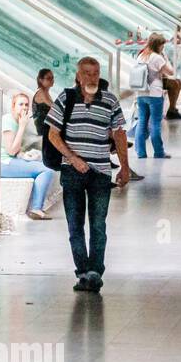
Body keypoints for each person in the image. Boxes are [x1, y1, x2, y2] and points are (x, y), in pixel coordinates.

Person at [48, 57, 131, 293]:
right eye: (86, 73)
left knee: (98, 225)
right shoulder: (66, 99)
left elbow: (119, 134)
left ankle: (95, 272)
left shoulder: (110, 101)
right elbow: (53, 134)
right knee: (75, 225)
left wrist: (124, 166)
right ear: (78, 76)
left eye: (95, 73)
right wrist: (72, 158)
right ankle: (82, 271)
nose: (91, 78)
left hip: (101, 172)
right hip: (72, 171)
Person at [0, 91, 54, 220]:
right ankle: (36, 208)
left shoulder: (14, 121)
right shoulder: (8, 121)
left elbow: (13, 151)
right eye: (20, 104)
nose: (24, 107)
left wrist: (25, 156)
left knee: (44, 165)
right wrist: (22, 127)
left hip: (4, 162)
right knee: (47, 170)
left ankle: (36, 207)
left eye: (26, 104)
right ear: (13, 107)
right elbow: (11, 151)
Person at [133, 33, 174, 159]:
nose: (163, 48)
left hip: (141, 93)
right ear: (158, 45)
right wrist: (165, 57)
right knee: (155, 123)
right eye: (162, 45)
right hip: (154, 93)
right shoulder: (157, 57)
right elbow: (171, 72)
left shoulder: (141, 56)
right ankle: (159, 152)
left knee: (141, 122)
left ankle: (141, 153)